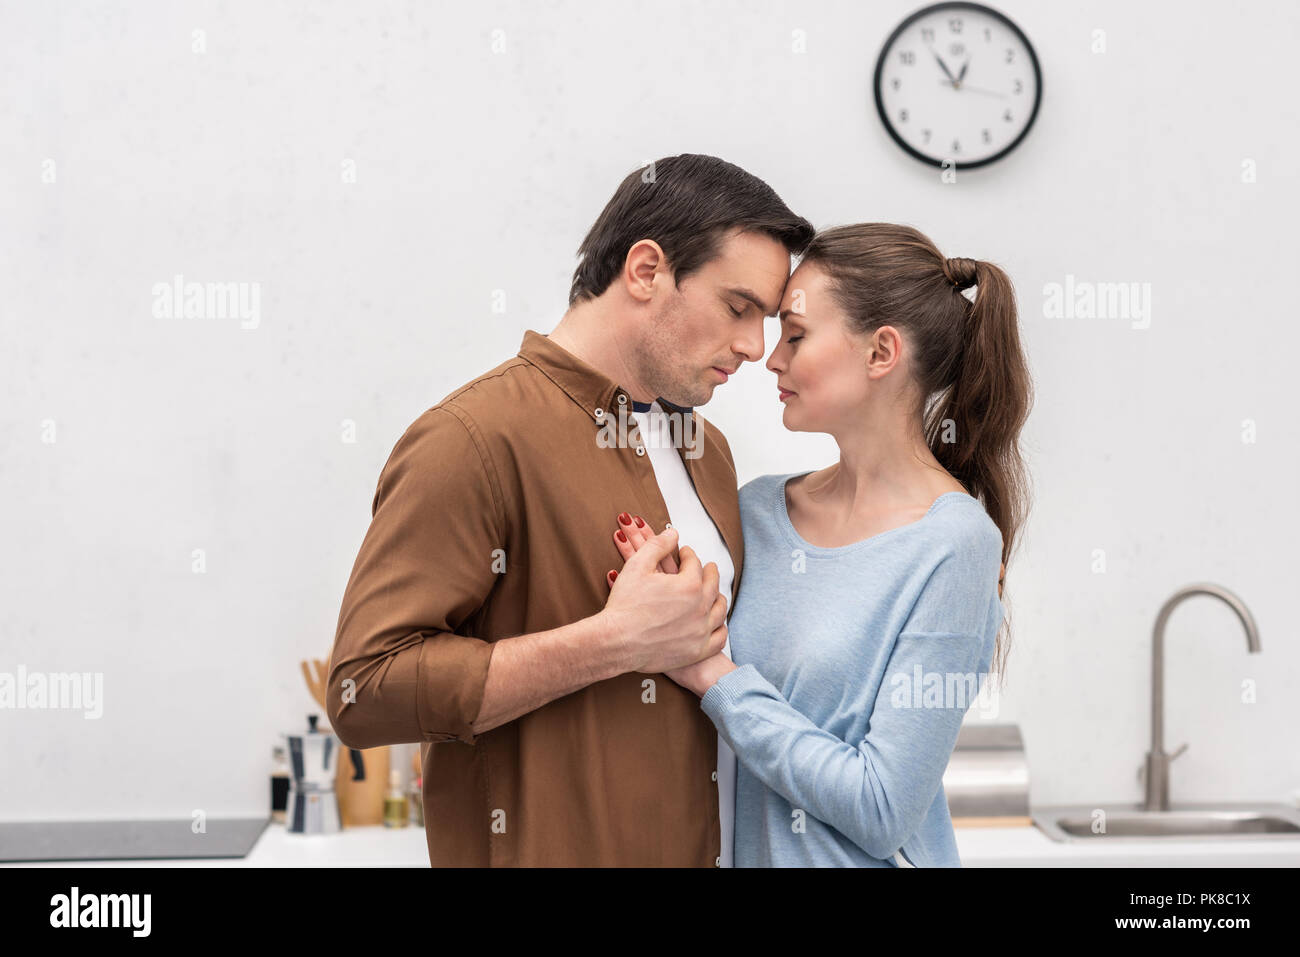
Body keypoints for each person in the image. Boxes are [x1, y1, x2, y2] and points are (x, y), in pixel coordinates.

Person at [326, 153, 813, 866]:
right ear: (645, 270)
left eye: (765, 319)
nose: (753, 346)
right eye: (738, 308)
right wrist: (611, 641)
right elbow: (363, 689)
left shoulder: (707, 449)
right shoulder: (471, 438)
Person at [604, 222, 1032, 866]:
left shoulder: (955, 544)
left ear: (880, 352)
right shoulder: (757, 510)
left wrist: (712, 674)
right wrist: (665, 603)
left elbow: (882, 810)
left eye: (796, 336)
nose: (769, 358)